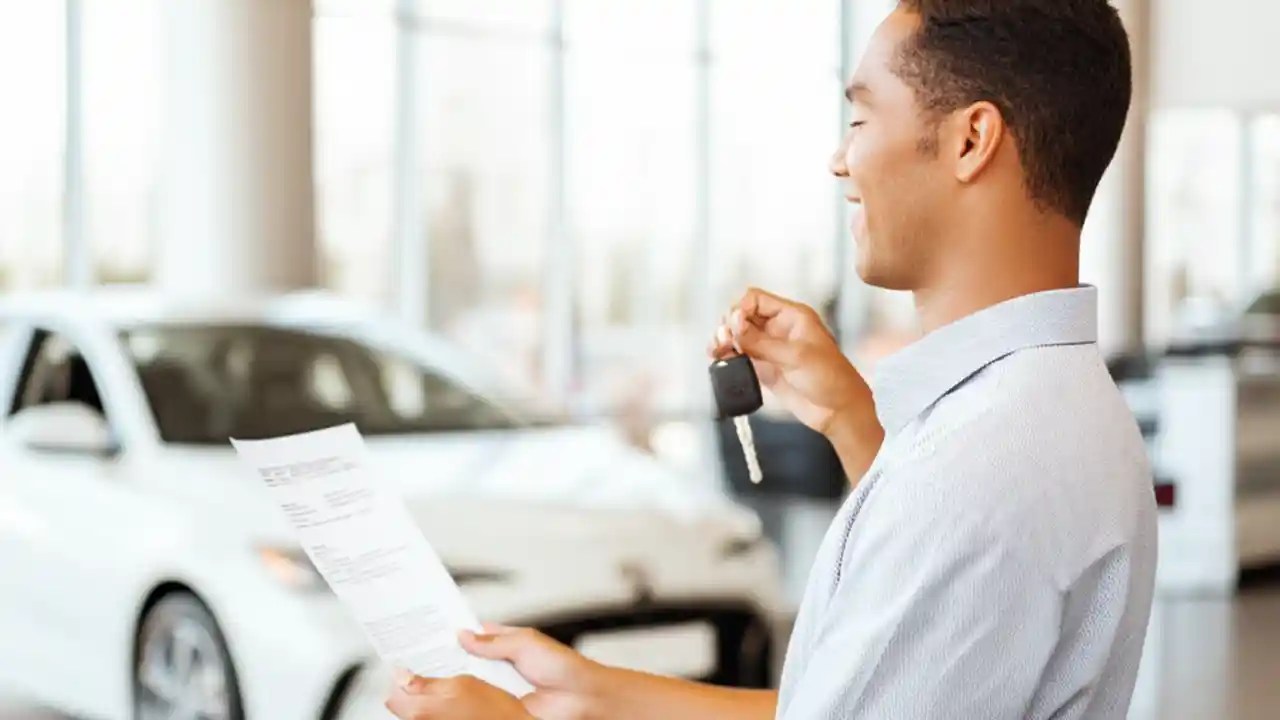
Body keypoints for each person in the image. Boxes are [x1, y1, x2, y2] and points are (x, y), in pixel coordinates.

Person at [385, 1, 1157, 718]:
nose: (838, 159)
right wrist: (596, 695)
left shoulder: (978, 469)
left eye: (859, 118)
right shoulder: (1062, 408)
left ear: (970, 140)